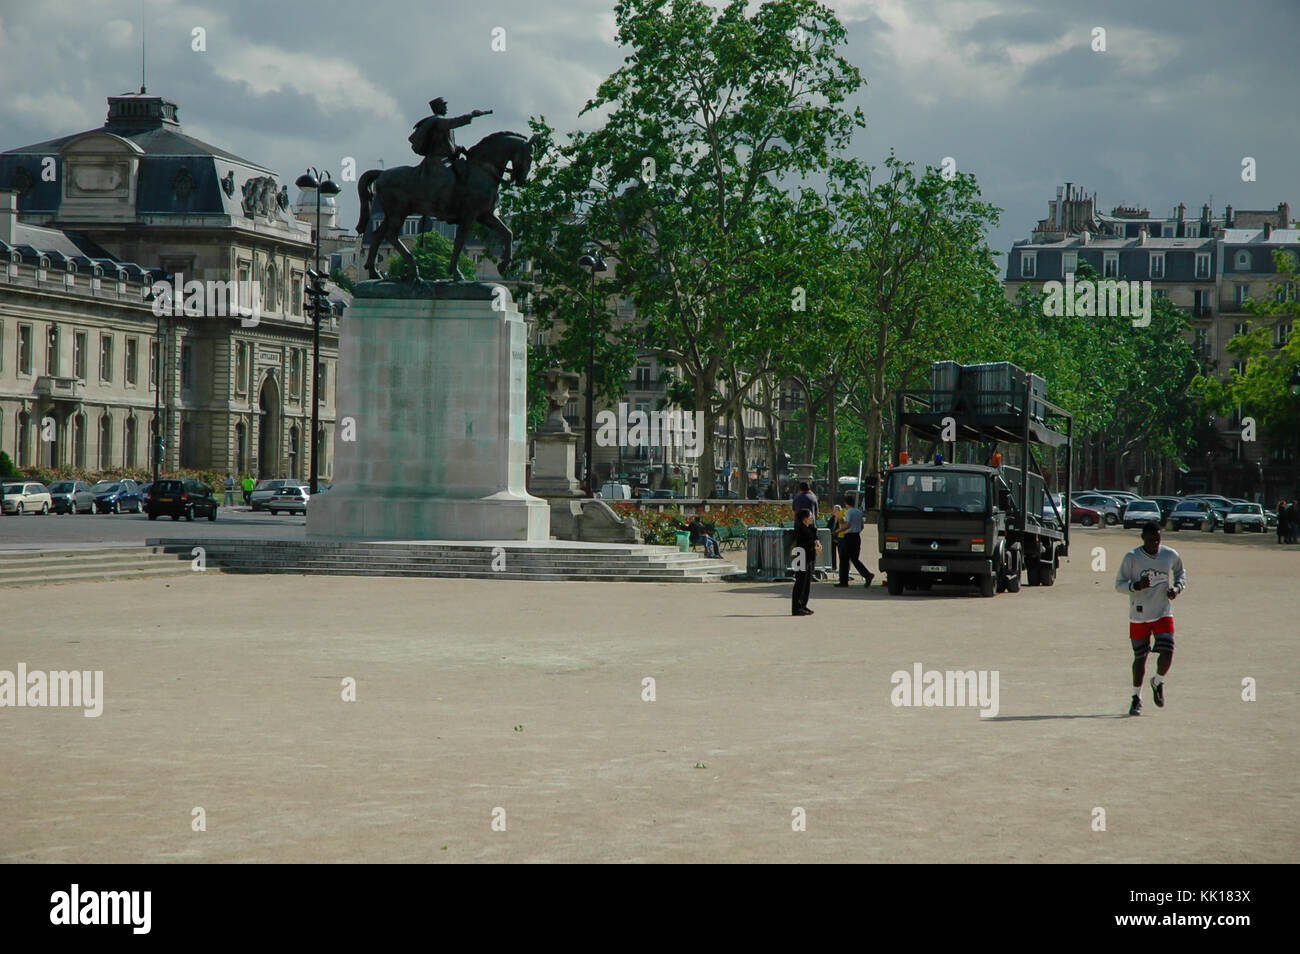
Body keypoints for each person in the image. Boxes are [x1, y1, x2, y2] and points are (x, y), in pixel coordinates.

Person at [1114, 522, 1186, 716]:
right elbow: (1118, 584)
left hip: (1163, 611)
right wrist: (1135, 586)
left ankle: (1158, 681)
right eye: (1152, 539)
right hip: (1139, 615)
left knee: (1168, 650)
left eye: (1158, 539)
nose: (1155, 543)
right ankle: (1136, 697)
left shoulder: (1169, 555)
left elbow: (1180, 573)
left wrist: (1177, 588)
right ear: (1143, 538)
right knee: (1140, 658)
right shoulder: (1132, 558)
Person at [408, 97, 490, 183]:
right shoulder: (438, 120)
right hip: (438, 160)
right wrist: (471, 115)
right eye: (443, 105)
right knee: (450, 178)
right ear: (438, 108)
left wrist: (458, 148)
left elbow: (445, 144)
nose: (446, 107)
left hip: (446, 159)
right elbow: (455, 122)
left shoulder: (440, 121)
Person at [834, 493, 874, 588]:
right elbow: (862, 526)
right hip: (856, 537)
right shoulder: (858, 512)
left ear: (846, 503)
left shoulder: (849, 512)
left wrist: (837, 531)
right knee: (855, 559)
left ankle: (843, 581)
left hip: (849, 537)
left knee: (844, 559)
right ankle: (867, 574)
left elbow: (847, 525)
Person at [791, 508, 820, 616]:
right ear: (804, 519)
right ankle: (796, 608)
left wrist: (817, 542)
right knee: (800, 583)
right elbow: (803, 545)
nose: (812, 518)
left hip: (809, 558)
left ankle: (803, 605)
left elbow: (815, 537)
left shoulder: (810, 528)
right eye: (810, 516)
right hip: (801, 558)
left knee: (807, 583)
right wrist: (814, 545)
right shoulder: (801, 529)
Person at [826, 504, 843, 571]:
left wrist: (837, 538)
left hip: (839, 539)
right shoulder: (832, 518)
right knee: (832, 553)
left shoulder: (842, 518)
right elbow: (828, 527)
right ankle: (833, 567)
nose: (834, 511)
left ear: (839, 511)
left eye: (835, 510)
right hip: (832, 539)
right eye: (834, 510)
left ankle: (842, 568)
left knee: (841, 554)